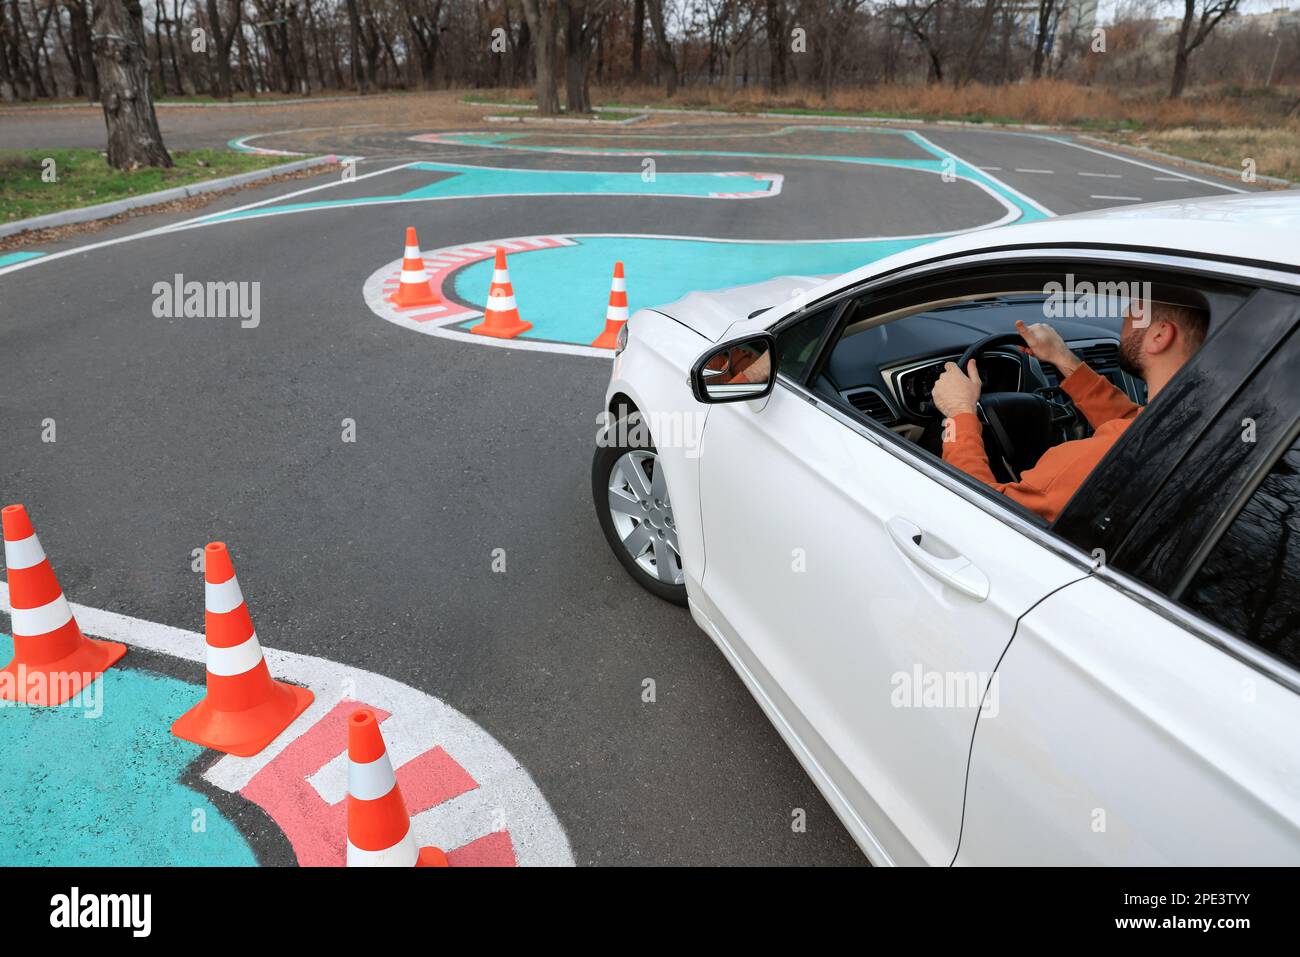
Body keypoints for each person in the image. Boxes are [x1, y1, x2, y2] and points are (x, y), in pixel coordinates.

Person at [930, 301, 1209, 522]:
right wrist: (1063, 359)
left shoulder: (1082, 466)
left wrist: (959, 413)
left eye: (1136, 307)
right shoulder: (1203, 418)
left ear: (1160, 335)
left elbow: (978, 510)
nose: (1126, 312)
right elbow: (1131, 427)